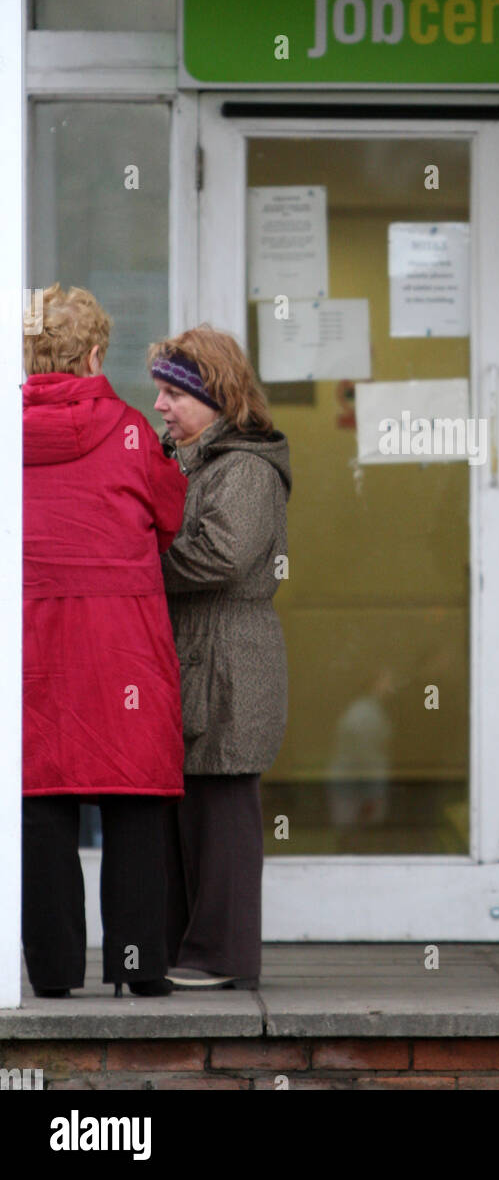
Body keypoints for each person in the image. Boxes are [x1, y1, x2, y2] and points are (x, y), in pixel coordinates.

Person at [22, 284, 187, 998]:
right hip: (123, 643)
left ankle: (54, 975)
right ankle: (139, 965)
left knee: (40, 804)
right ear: (94, 354)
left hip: (35, 645)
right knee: (134, 801)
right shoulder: (129, 431)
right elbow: (171, 515)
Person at [147, 326, 292, 989]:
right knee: (190, 804)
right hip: (197, 650)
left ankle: (218, 957)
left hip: (230, 655)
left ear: (214, 394)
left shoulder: (244, 466)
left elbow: (220, 554)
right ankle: (190, 949)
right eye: (159, 390)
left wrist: (135, 565)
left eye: (174, 391)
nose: (159, 405)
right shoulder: (195, 460)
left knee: (223, 804)